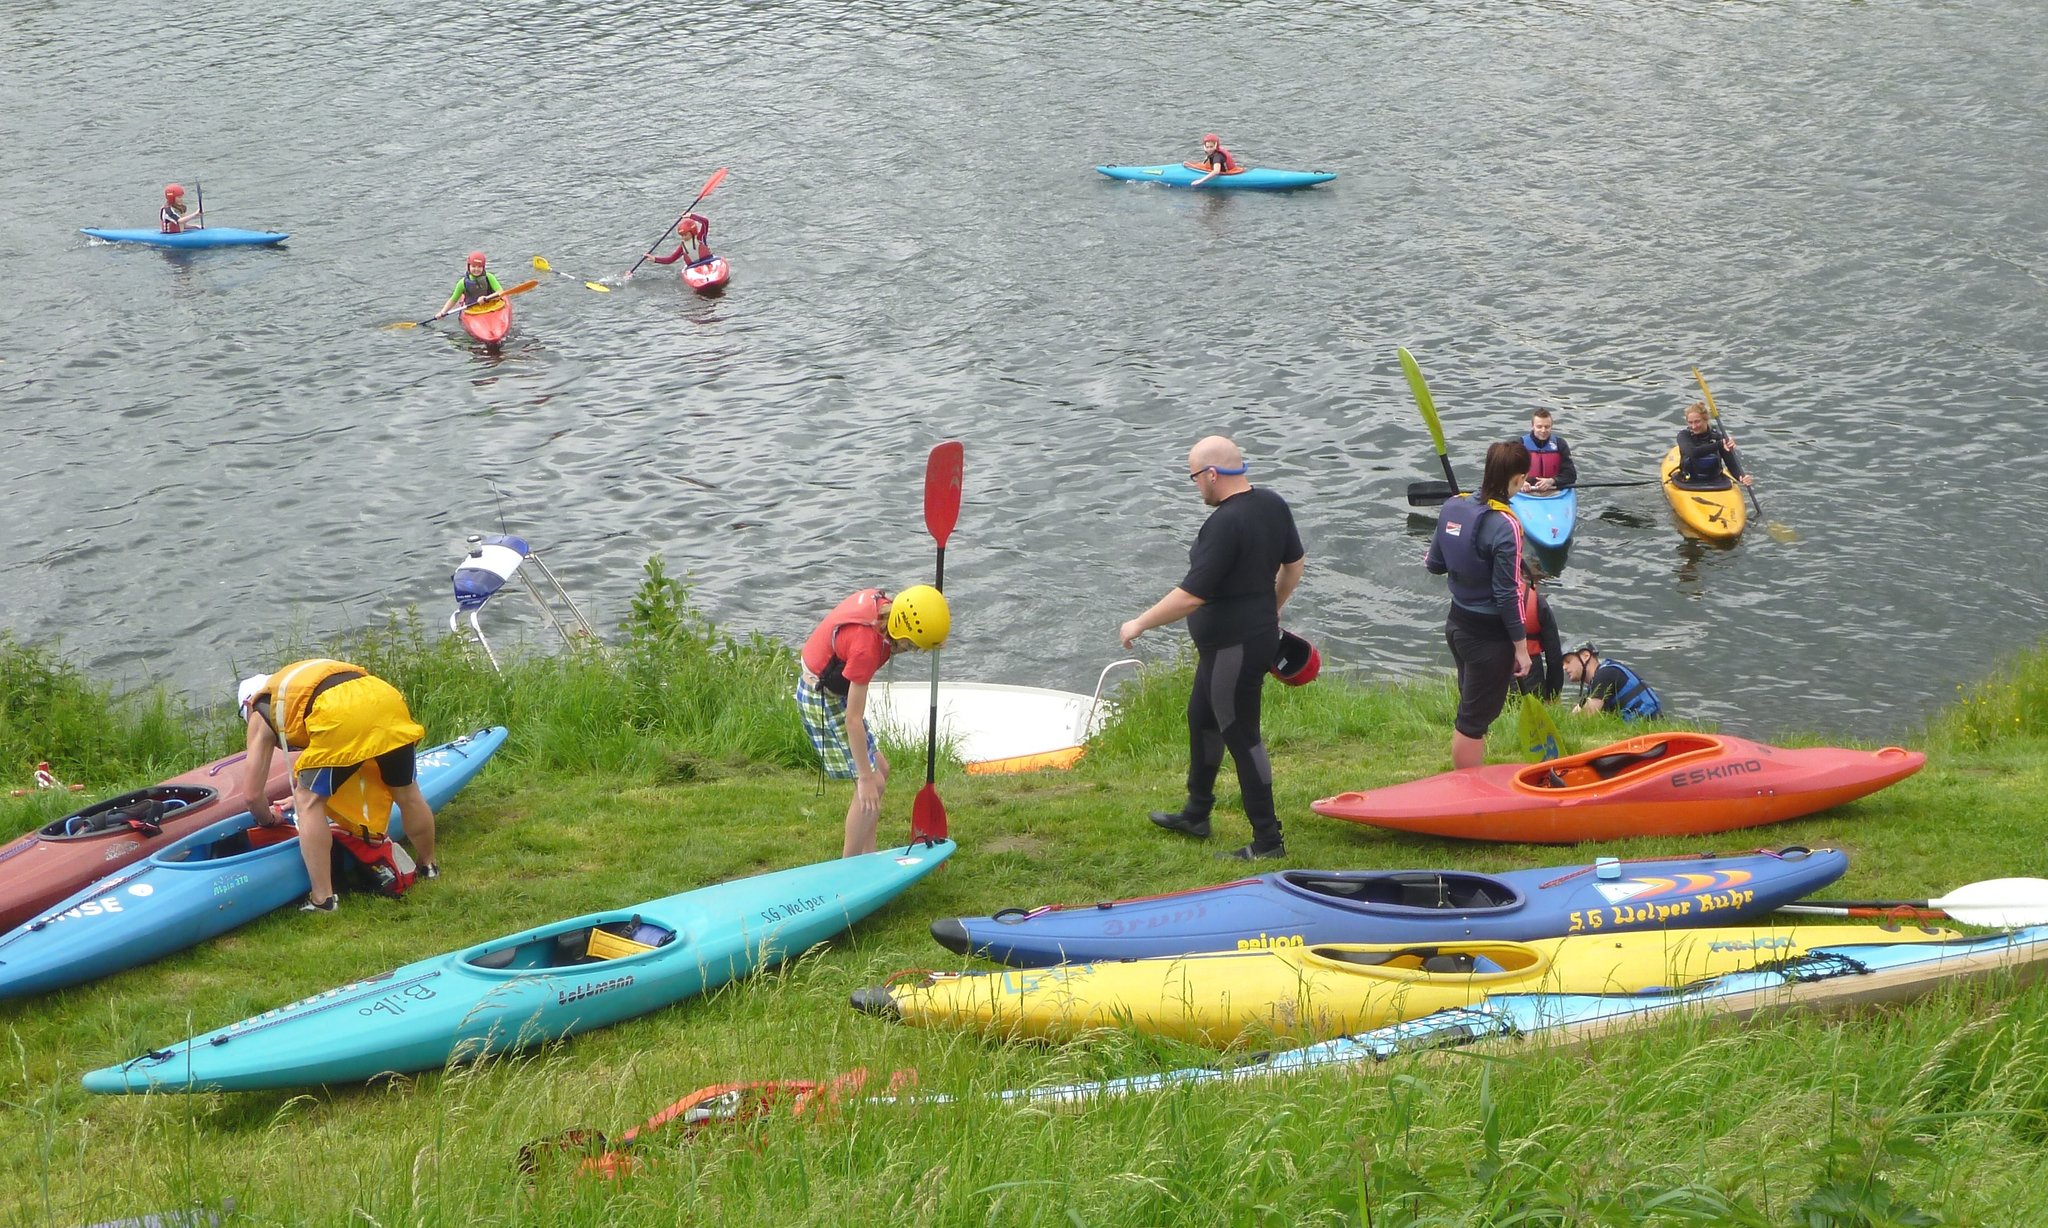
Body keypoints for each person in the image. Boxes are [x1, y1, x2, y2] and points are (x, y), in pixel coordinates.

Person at [1121, 436, 1305, 861]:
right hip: (1237, 642)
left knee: (1243, 737)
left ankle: (1268, 842)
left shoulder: (1225, 523)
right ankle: (1196, 814)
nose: (1196, 488)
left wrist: (1140, 623)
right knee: (1201, 718)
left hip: (1234, 649)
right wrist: (1270, 610)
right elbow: (1293, 566)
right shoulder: (1272, 504)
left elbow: (1191, 595)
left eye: (1194, 478)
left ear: (1211, 474)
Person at [237, 660, 438, 913]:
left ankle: (323, 899)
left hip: (338, 712)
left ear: (247, 703)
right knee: (407, 792)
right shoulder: (293, 688)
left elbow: (252, 796)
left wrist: (269, 820)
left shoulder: (261, 708)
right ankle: (428, 866)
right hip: (383, 697)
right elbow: (350, 762)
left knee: (307, 802)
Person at [797, 584, 951, 858]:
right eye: (913, 646)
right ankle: (850, 865)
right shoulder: (866, 648)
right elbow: (853, 720)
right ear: (902, 635)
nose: (912, 651)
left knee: (882, 768)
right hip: (821, 699)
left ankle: (869, 854)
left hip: (836, 694)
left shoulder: (887, 613)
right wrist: (864, 777)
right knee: (872, 783)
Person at [1424, 440, 1532, 769]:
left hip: (1457, 626)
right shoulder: (1507, 526)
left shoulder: (1452, 506)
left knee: (1473, 712)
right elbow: (1507, 593)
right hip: (1489, 639)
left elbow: (1434, 563)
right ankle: (1469, 792)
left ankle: (1470, 780)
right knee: (1472, 723)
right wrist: (1522, 648)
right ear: (1516, 479)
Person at [1562, 642, 1664, 721]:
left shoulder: (1605, 674)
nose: (1564, 667)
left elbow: (1587, 716)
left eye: (1568, 661)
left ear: (1585, 656)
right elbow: (1575, 714)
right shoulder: (1597, 682)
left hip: (1649, 728)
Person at [1513, 557, 1564, 702]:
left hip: (1493, 671)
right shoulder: (1537, 602)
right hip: (1530, 672)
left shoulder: (1483, 597)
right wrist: (1552, 694)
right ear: (1522, 572)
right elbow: (1553, 655)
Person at [1674, 401, 1753, 489]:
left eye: (1697, 422)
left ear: (1706, 419)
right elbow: (1692, 452)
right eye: (1690, 422)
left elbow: (1731, 463)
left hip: (1715, 482)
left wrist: (1741, 477)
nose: (1693, 426)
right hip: (1689, 482)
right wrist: (1720, 444)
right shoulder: (1684, 435)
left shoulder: (1717, 436)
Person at [1521, 408, 1577, 494]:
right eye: (1539, 427)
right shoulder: (1519, 444)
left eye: (1547, 427)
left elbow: (1571, 475)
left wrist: (1552, 481)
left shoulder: (1560, 444)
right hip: (1526, 490)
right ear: (1532, 426)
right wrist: (1519, 482)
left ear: (1551, 426)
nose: (1543, 430)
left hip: (1553, 489)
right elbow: (1506, 472)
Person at [440, 251, 503, 316]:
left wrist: (486, 298)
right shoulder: (462, 283)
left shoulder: (489, 277)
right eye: (473, 266)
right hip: (473, 311)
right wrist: (442, 312)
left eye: (479, 266)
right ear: (468, 267)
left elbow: (501, 293)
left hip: (493, 306)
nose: (476, 269)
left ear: (483, 267)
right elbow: (453, 300)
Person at [648, 214, 714, 268]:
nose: (683, 237)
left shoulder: (700, 237)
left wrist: (691, 216)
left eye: (685, 235)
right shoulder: (683, 247)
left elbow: (705, 222)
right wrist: (655, 259)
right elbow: (670, 259)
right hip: (694, 267)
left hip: (708, 261)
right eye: (682, 235)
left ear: (692, 232)